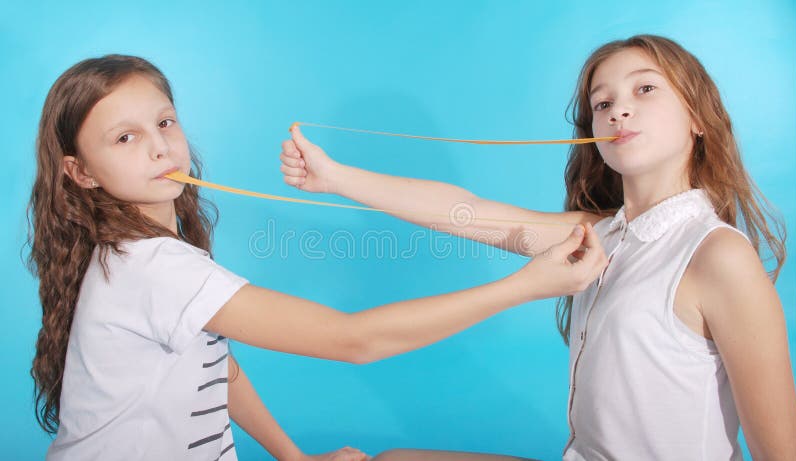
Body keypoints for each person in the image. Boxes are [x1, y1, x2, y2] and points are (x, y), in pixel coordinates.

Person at [26, 55, 607, 461]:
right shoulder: (152, 267)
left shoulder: (152, 256)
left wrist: (293, 457)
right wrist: (524, 287)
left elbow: (217, 368)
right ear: (79, 172)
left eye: (164, 122)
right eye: (124, 138)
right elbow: (352, 340)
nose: (158, 145)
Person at [280, 35, 796, 460]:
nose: (619, 110)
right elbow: (466, 211)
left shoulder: (717, 256)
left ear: (697, 119)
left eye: (645, 90)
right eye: (603, 102)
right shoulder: (602, 236)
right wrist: (336, 178)